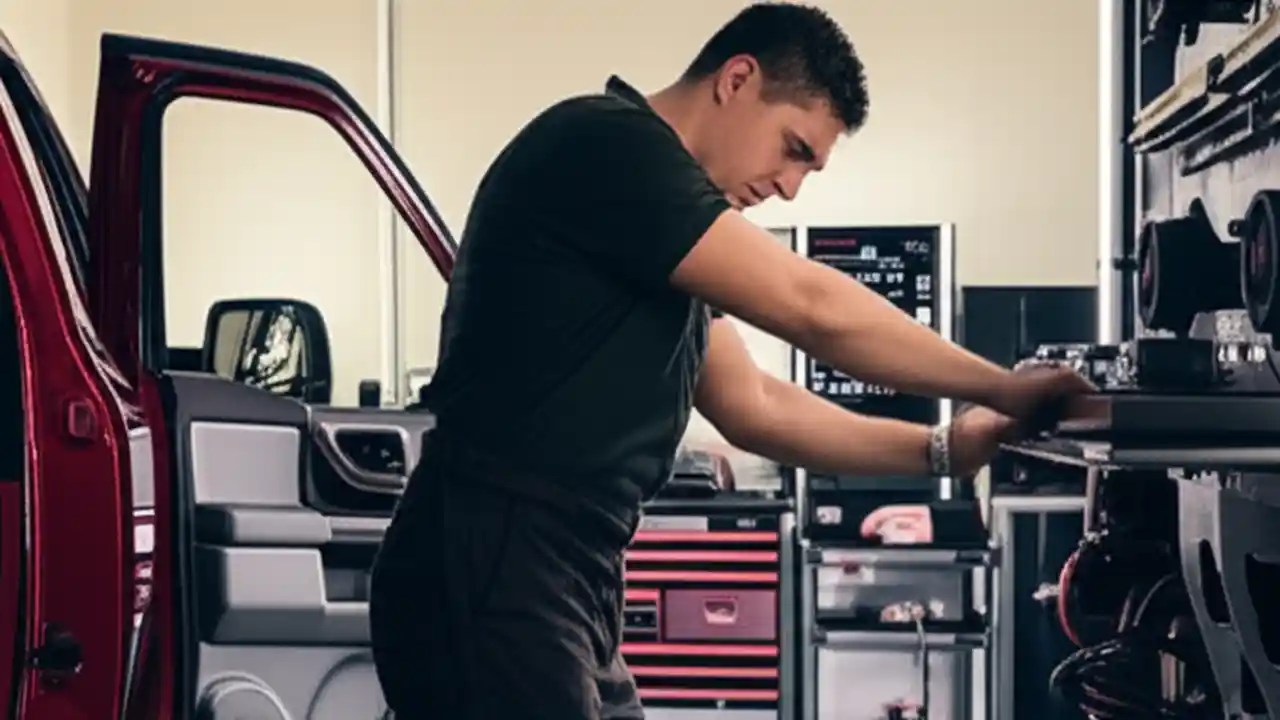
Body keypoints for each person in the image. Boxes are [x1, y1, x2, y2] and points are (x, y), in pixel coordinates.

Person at [368, 3, 1094, 718]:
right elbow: (809, 306)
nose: (789, 185)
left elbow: (756, 407)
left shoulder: (662, 235)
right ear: (736, 79)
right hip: (493, 555)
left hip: (564, 571)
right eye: (795, 148)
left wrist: (943, 449)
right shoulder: (608, 145)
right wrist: (1003, 386)